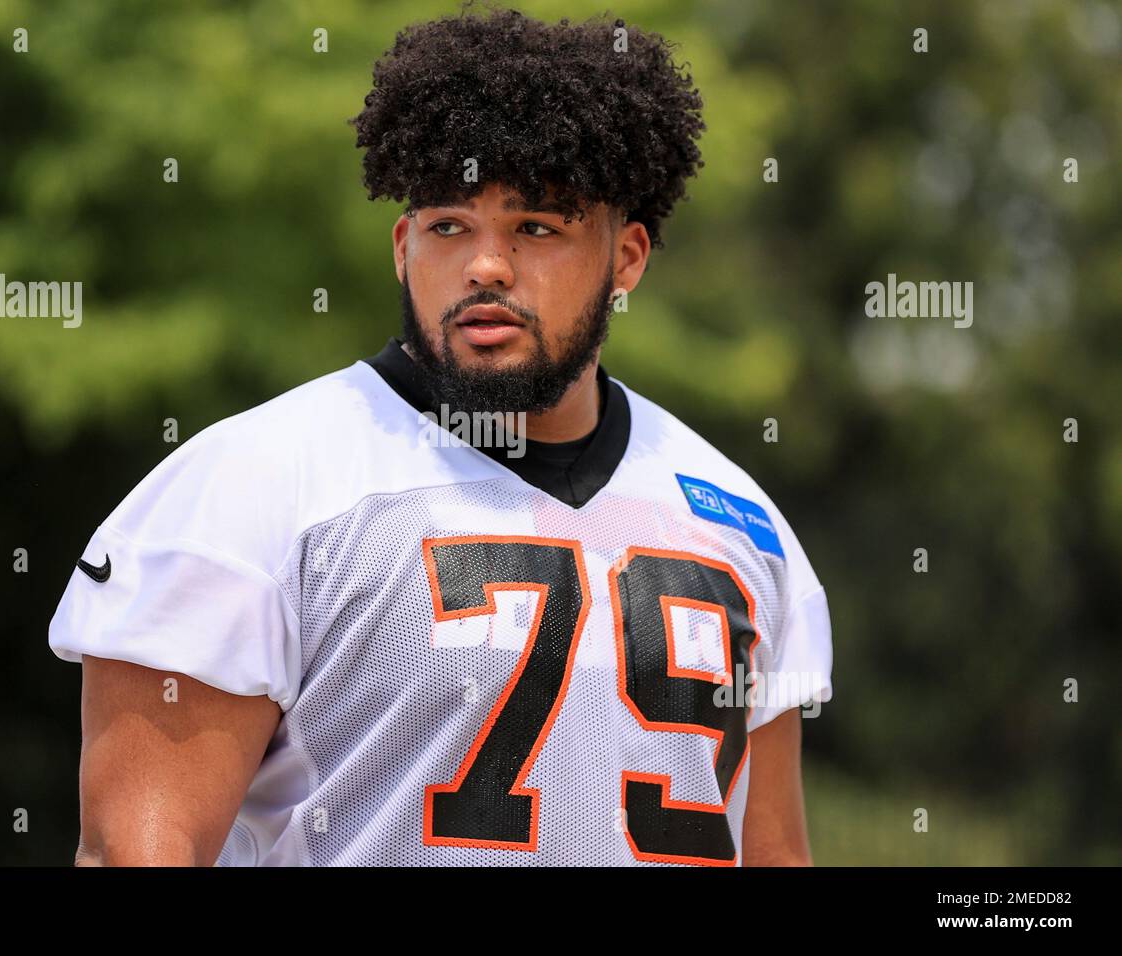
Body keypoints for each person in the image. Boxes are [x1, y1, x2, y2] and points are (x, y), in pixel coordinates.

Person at [49, 6, 832, 866]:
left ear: (629, 257)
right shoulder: (253, 485)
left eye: (538, 227)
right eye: (450, 225)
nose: (486, 265)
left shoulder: (742, 525)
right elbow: (134, 856)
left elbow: (775, 858)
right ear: (402, 246)